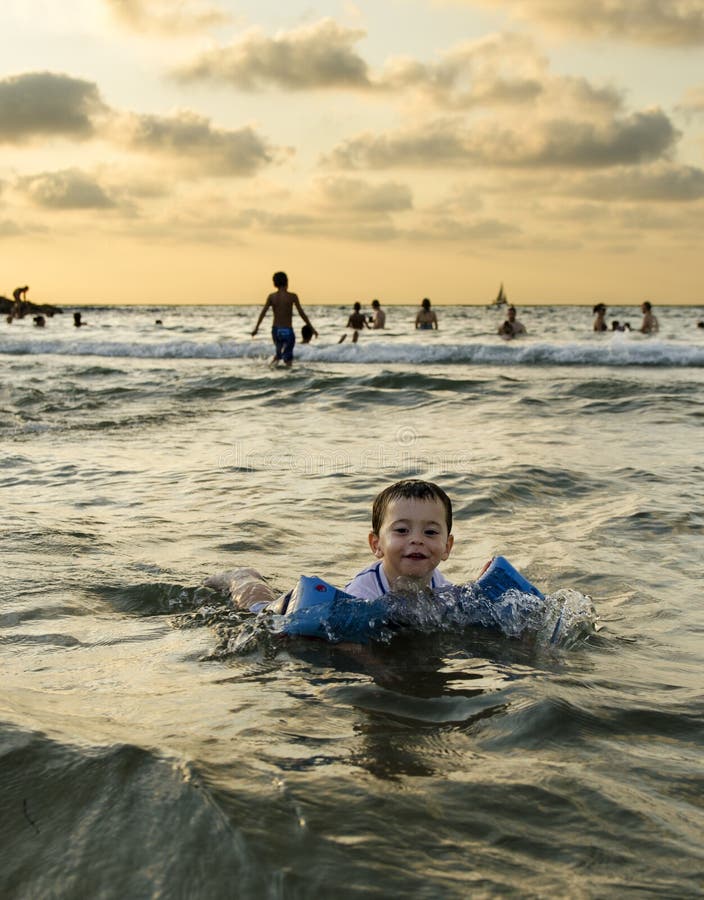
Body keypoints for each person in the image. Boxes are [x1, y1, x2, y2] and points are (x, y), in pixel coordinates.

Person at [345, 479, 454, 600]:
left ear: (447, 547)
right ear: (376, 544)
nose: (417, 540)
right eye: (402, 530)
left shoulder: (441, 585)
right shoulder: (361, 593)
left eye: (430, 532)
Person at [251, 271, 318, 366]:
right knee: (288, 358)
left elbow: (263, 313)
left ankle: (270, 368)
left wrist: (256, 328)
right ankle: (288, 378)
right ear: (287, 281)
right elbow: (301, 313)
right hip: (287, 330)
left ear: (275, 283)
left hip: (276, 331)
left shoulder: (272, 297)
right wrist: (312, 328)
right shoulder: (292, 296)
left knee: (279, 354)